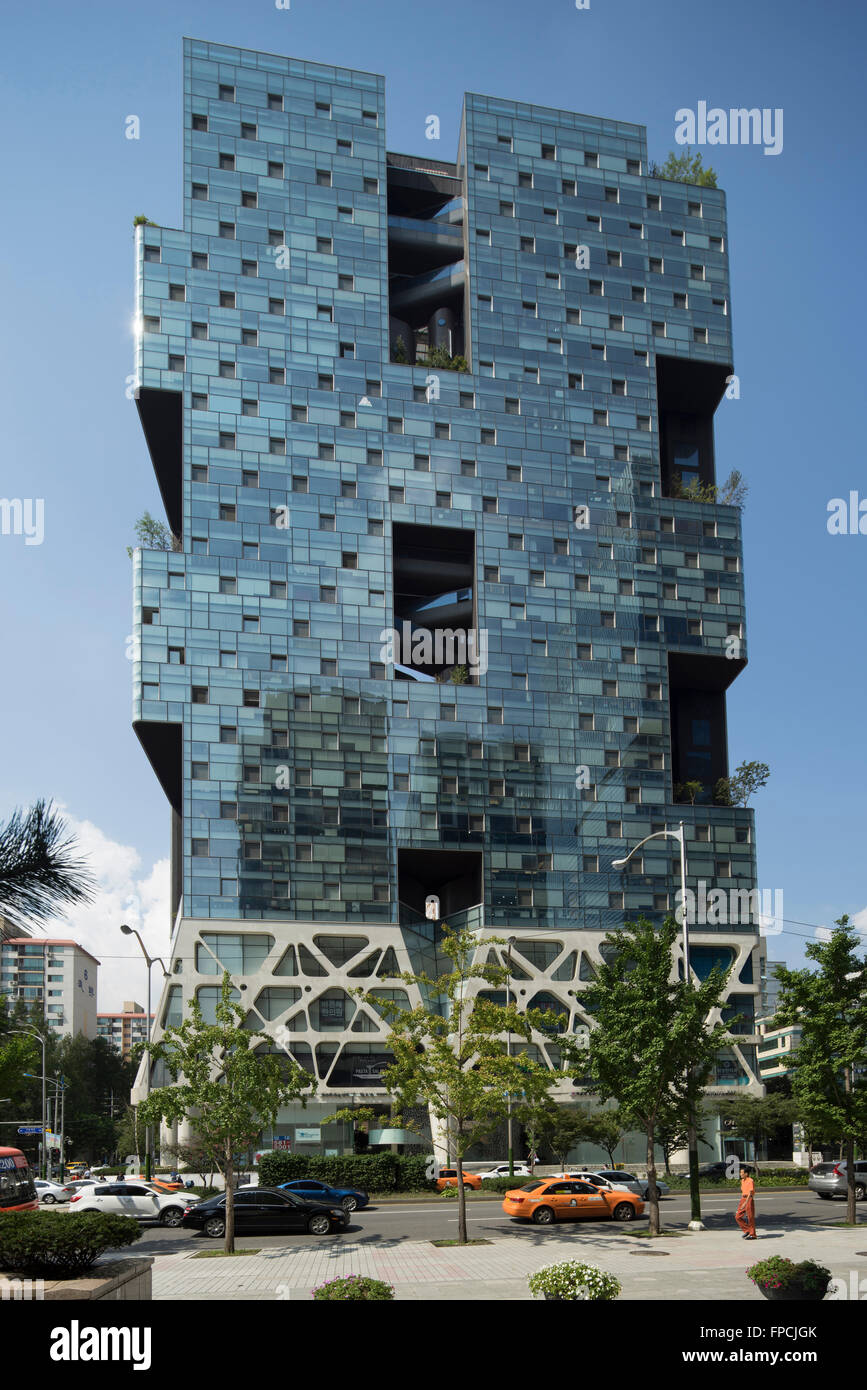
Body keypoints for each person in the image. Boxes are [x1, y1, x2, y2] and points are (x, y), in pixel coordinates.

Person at [734, 1167, 756, 1239]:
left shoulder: (750, 1181)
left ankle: (753, 1235)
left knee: (750, 1217)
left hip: (748, 1199)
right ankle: (747, 1230)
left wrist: (745, 1203)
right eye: (740, 1173)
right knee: (737, 1216)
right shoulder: (742, 1181)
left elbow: (750, 1193)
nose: (740, 1174)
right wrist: (742, 1202)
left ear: (746, 1174)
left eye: (742, 1173)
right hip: (743, 1198)